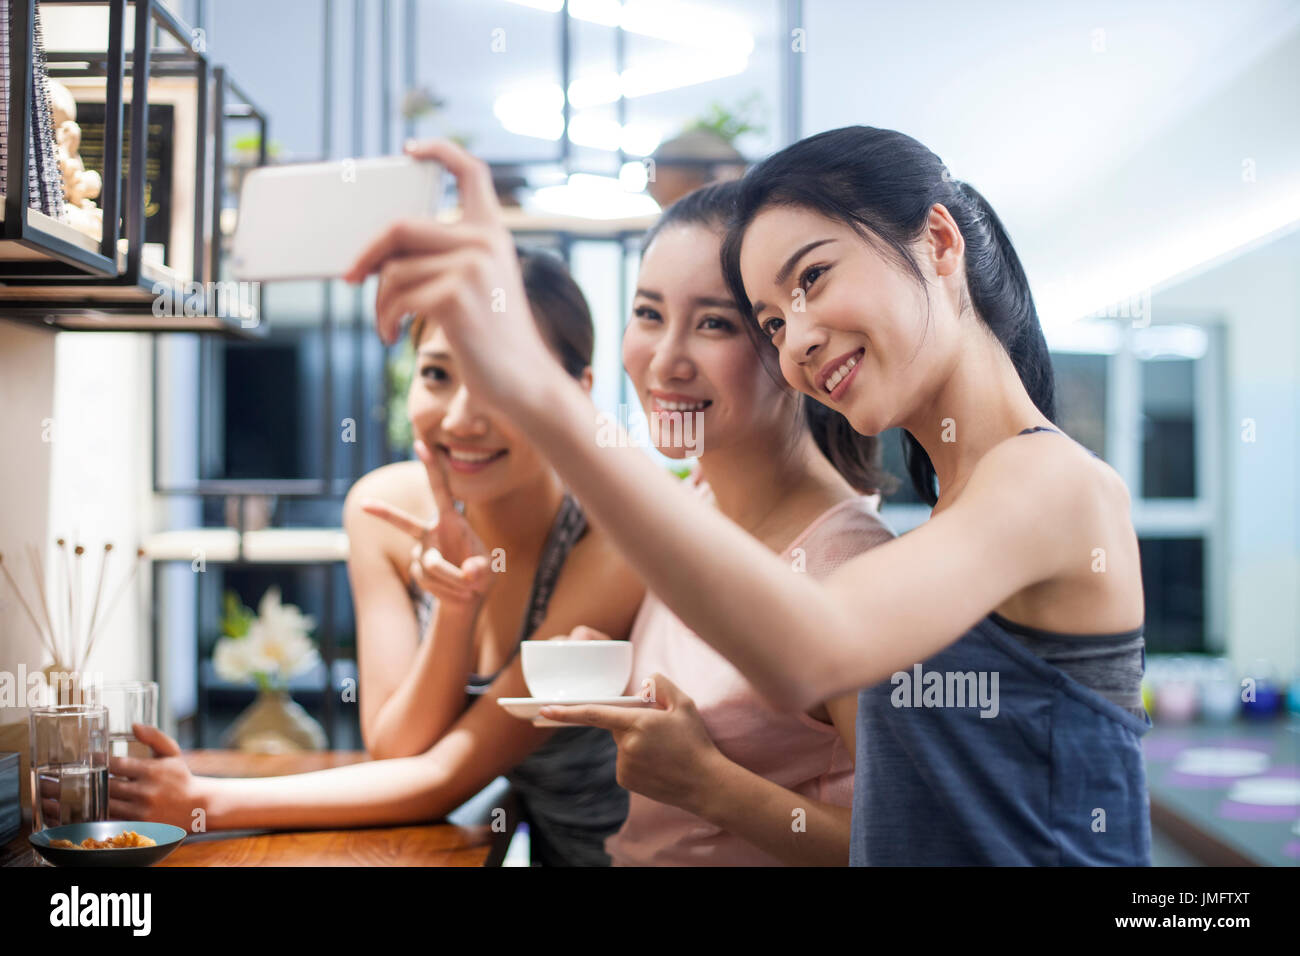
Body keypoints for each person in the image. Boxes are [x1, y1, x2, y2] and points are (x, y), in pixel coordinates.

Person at [344, 128, 1151, 866]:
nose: (796, 340)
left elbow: (814, 645)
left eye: (814, 276)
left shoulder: (1050, 483)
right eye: (770, 320)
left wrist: (529, 380)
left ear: (939, 242)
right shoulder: (962, 507)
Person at [109, 249, 644, 867]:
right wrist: (454, 609)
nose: (463, 418)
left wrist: (203, 803)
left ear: (577, 393)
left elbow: (445, 777)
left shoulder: (611, 538)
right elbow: (397, 751)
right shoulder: (384, 512)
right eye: (439, 374)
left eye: (504, 379)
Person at [547, 181, 896, 865]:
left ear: (792, 341)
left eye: (714, 324)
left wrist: (708, 785)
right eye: (648, 314)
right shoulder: (696, 501)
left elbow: (907, 849)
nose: (666, 361)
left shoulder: (853, 570)